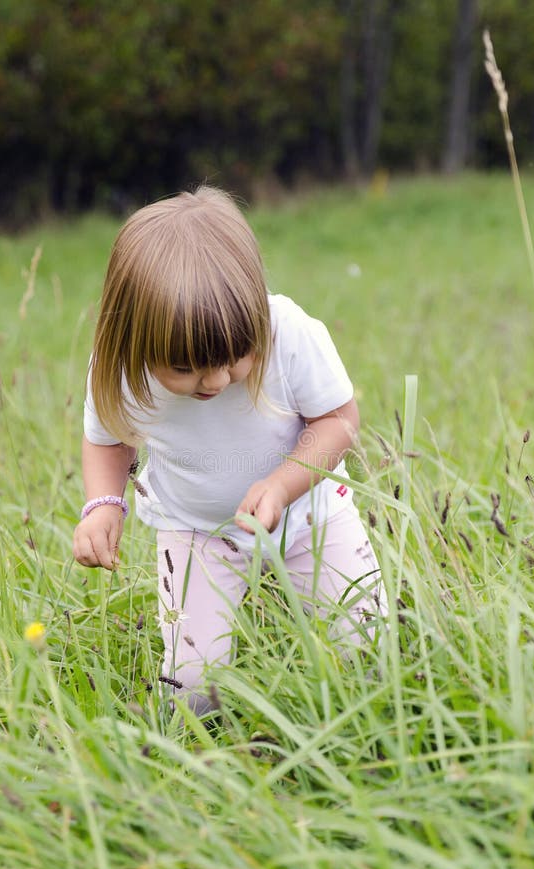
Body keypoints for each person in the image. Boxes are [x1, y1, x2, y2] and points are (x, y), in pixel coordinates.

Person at [72, 186, 387, 713]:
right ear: (136, 338)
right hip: (196, 530)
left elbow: (338, 421)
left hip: (312, 514)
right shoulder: (123, 366)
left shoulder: (286, 332)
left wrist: (281, 484)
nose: (215, 380)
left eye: (236, 357)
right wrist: (104, 504)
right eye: (185, 368)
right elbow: (107, 439)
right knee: (192, 687)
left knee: (369, 650)